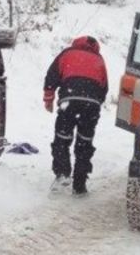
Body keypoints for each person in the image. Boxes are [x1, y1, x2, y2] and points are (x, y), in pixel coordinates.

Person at [43, 36, 108, 195]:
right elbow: (104, 87)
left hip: (69, 102)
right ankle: (80, 184)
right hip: (91, 105)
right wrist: (95, 104)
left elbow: (51, 76)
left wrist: (48, 99)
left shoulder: (67, 54)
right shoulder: (99, 60)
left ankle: (63, 173)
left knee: (62, 138)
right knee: (84, 143)